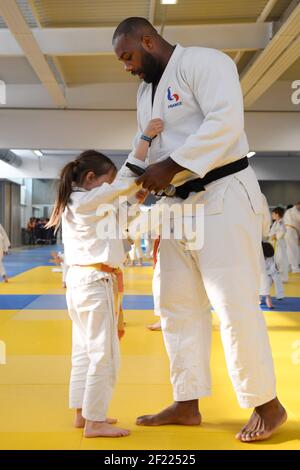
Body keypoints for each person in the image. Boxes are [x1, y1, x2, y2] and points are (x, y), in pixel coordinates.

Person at [113, 17, 286, 442]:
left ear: (148, 41)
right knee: (175, 307)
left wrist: (169, 167)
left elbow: (225, 122)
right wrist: (136, 187)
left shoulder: (206, 63)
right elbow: (149, 149)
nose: (127, 67)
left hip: (222, 194)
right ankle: (187, 401)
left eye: (129, 56)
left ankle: (267, 403)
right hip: (176, 205)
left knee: (232, 305)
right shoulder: (144, 92)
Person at [46, 119, 162, 438]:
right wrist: (144, 140)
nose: (109, 188)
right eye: (105, 182)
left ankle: (82, 413)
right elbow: (123, 183)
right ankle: (95, 419)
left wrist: (137, 200)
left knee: (84, 350)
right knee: (104, 354)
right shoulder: (85, 201)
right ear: (90, 178)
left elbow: (119, 218)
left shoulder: (80, 205)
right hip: (95, 286)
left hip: (82, 284)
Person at [260, 242, 284, 309]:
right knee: (262, 289)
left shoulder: (271, 257)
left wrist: (270, 274)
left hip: (271, 273)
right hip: (261, 274)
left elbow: (273, 267)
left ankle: (279, 295)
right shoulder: (259, 257)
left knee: (276, 280)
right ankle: (260, 298)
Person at [269, 207, 289, 282]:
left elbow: (282, 231)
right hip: (275, 243)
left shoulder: (281, 222)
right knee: (275, 260)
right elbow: (271, 233)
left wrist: (275, 236)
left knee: (281, 260)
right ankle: (277, 277)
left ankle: (283, 278)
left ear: (277, 214)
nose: (272, 215)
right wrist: (272, 235)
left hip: (280, 243)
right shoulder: (275, 222)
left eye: (273, 214)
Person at [284, 203, 300, 273]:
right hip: (291, 231)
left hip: (289, 231)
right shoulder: (293, 211)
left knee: (290, 250)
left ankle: (290, 267)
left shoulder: (290, 211)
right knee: (293, 250)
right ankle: (294, 268)